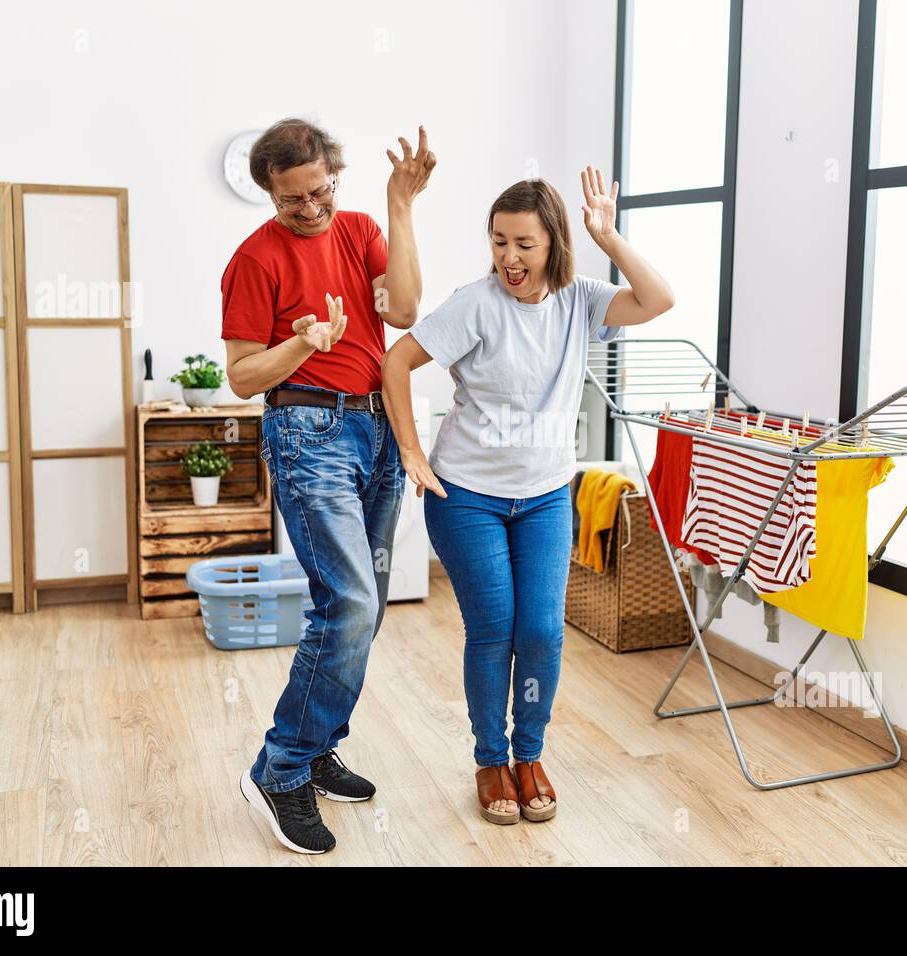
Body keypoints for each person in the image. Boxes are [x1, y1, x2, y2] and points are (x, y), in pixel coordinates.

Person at [380, 167, 673, 824]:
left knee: (540, 631)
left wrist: (609, 233)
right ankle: (491, 762)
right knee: (494, 630)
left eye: (524, 244)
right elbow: (395, 361)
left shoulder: (580, 300)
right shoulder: (476, 303)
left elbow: (658, 299)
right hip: (468, 496)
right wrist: (410, 450)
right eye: (499, 241)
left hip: (543, 497)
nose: (508, 258)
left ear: (555, 245)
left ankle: (529, 755)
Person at [222, 117, 436, 854]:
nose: (311, 208)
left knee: (362, 610)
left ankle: (313, 749)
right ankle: (280, 768)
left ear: (332, 174)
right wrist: (301, 343)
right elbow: (242, 375)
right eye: (293, 201)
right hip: (307, 433)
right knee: (347, 603)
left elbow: (403, 311)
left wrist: (401, 206)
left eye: (321, 191)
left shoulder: (363, 229)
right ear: (269, 195)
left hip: (375, 430)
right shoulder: (254, 260)